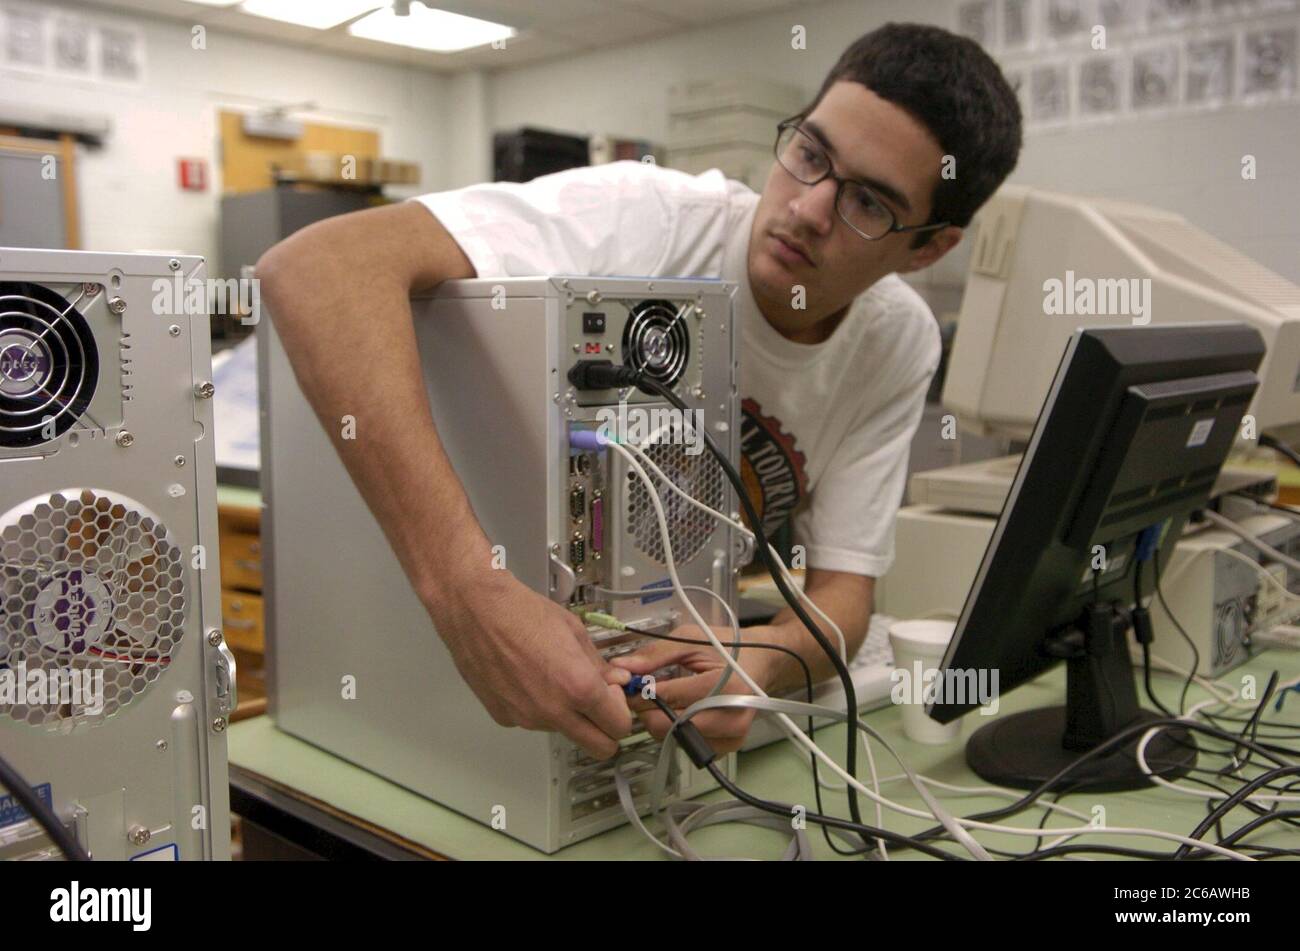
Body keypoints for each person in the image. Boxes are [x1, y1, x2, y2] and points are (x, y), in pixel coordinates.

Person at [256, 22, 1023, 762]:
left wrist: (768, 659)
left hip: (632, 714)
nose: (806, 208)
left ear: (929, 249)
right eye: (809, 153)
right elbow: (318, 270)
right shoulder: (648, 220)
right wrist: (466, 589)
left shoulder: (896, 340)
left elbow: (844, 598)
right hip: (441, 692)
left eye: (868, 204)